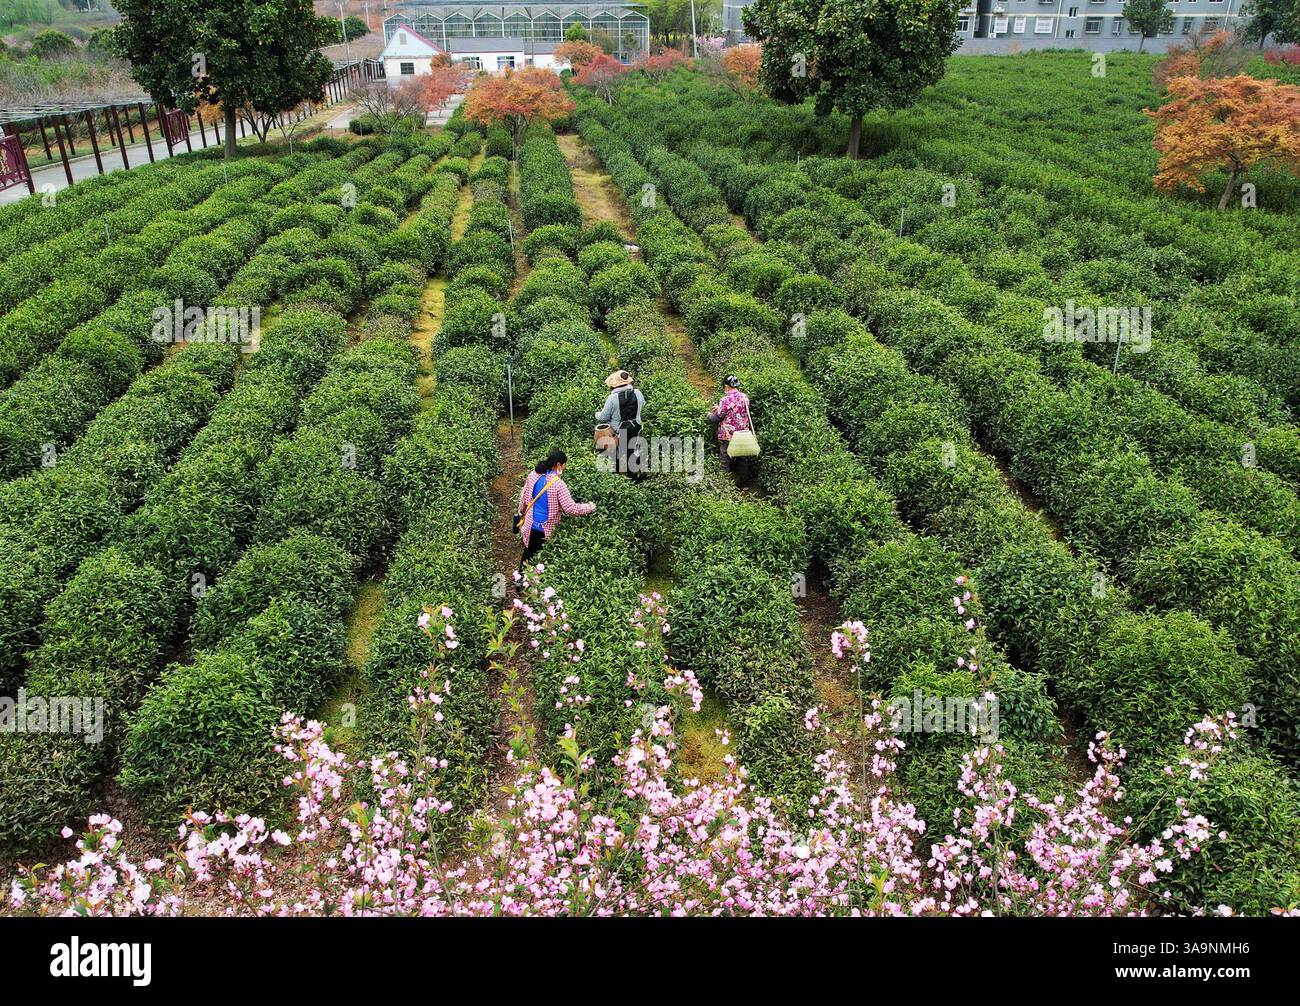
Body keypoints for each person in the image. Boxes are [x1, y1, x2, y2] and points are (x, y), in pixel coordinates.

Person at [516, 449, 596, 568]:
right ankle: (525, 582)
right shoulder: (558, 484)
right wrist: (590, 507)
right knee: (540, 560)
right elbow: (570, 508)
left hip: (530, 523)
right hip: (545, 529)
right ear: (558, 464)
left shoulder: (533, 474)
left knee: (528, 554)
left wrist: (521, 512)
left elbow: (524, 497)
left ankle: (520, 582)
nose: (564, 467)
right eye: (564, 465)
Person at [595, 370, 645, 477]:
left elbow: (603, 417)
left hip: (618, 432)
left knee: (615, 454)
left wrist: (596, 414)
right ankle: (635, 478)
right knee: (633, 451)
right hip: (636, 428)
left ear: (613, 386)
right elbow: (642, 405)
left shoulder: (612, 398)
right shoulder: (638, 393)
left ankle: (617, 478)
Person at [708, 375, 754, 486]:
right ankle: (744, 485)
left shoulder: (725, 400)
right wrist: (720, 409)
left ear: (726, 386)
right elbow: (736, 412)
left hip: (728, 435)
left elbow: (717, 418)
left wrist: (708, 415)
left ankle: (723, 486)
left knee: (725, 459)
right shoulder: (744, 397)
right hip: (742, 434)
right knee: (742, 458)